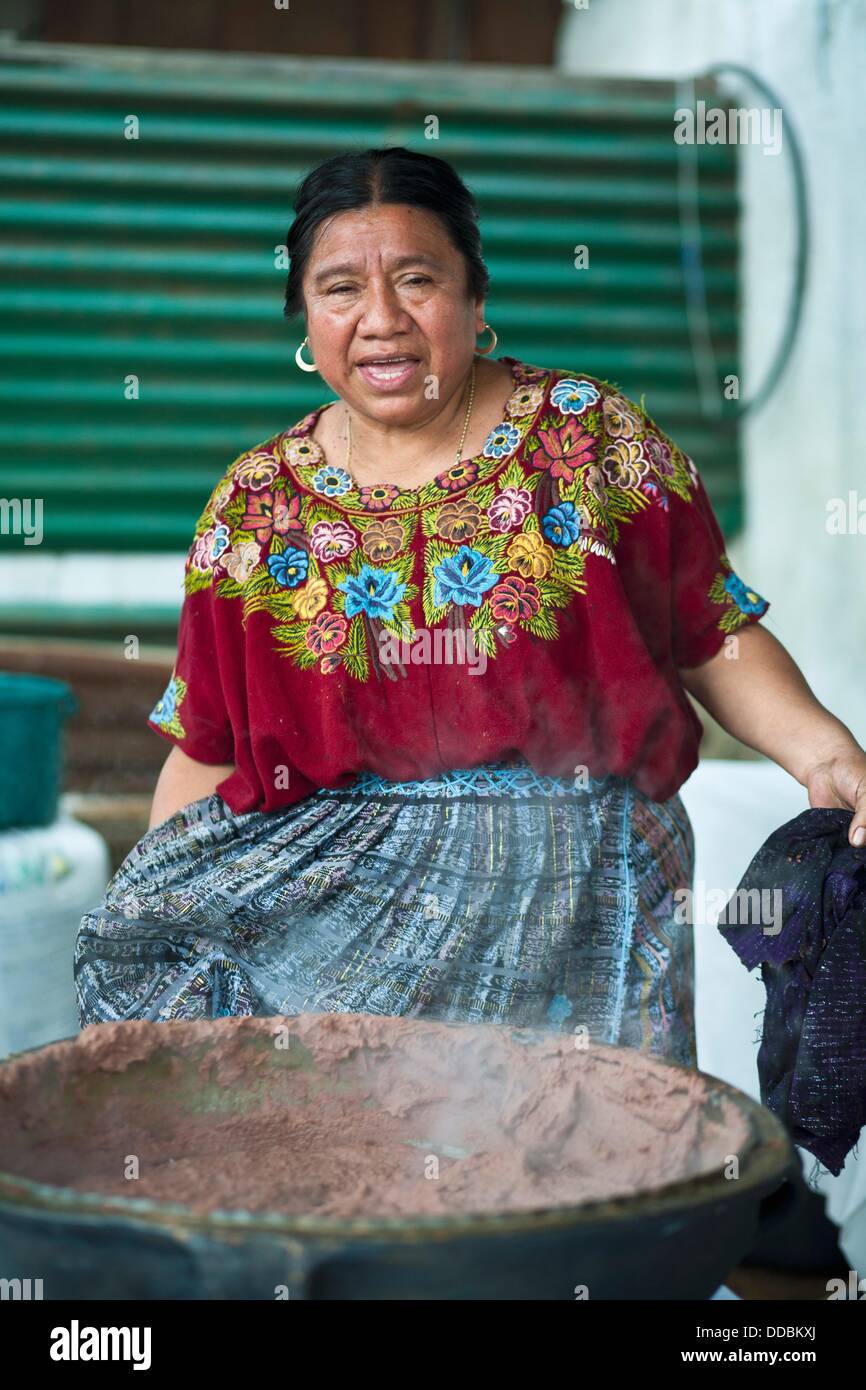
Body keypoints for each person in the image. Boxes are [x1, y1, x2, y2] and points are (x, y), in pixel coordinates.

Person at [75, 147, 866, 1068]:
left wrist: (827, 751)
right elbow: (207, 748)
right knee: (364, 1170)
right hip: (340, 929)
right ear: (303, 314)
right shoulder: (256, 509)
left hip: (581, 899)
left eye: (418, 280)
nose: (382, 321)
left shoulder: (588, 442)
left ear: (475, 299)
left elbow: (711, 630)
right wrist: (165, 905)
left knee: (585, 1164)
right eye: (340, 290)